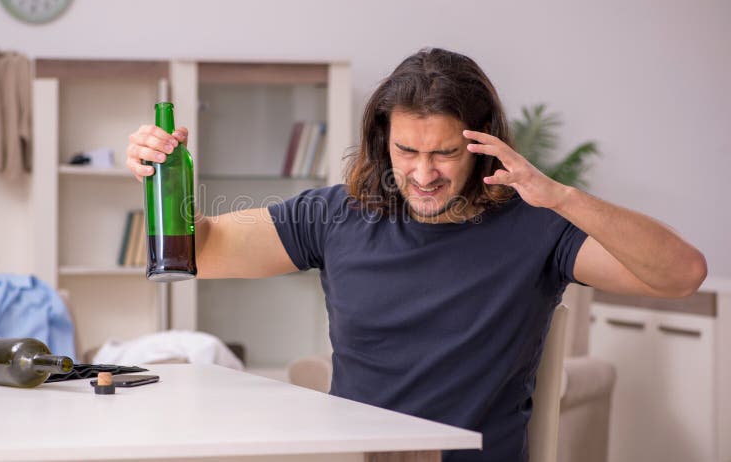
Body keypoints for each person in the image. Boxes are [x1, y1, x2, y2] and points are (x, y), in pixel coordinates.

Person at [125, 48, 707, 461]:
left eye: (446, 153)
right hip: (360, 457)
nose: (423, 173)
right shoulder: (334, 215)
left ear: (482, 144)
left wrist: (559, 195)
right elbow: (197, 252)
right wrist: (158, 178)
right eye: (407, 150)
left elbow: (682, 275)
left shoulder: (537, 227)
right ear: (383, 140)